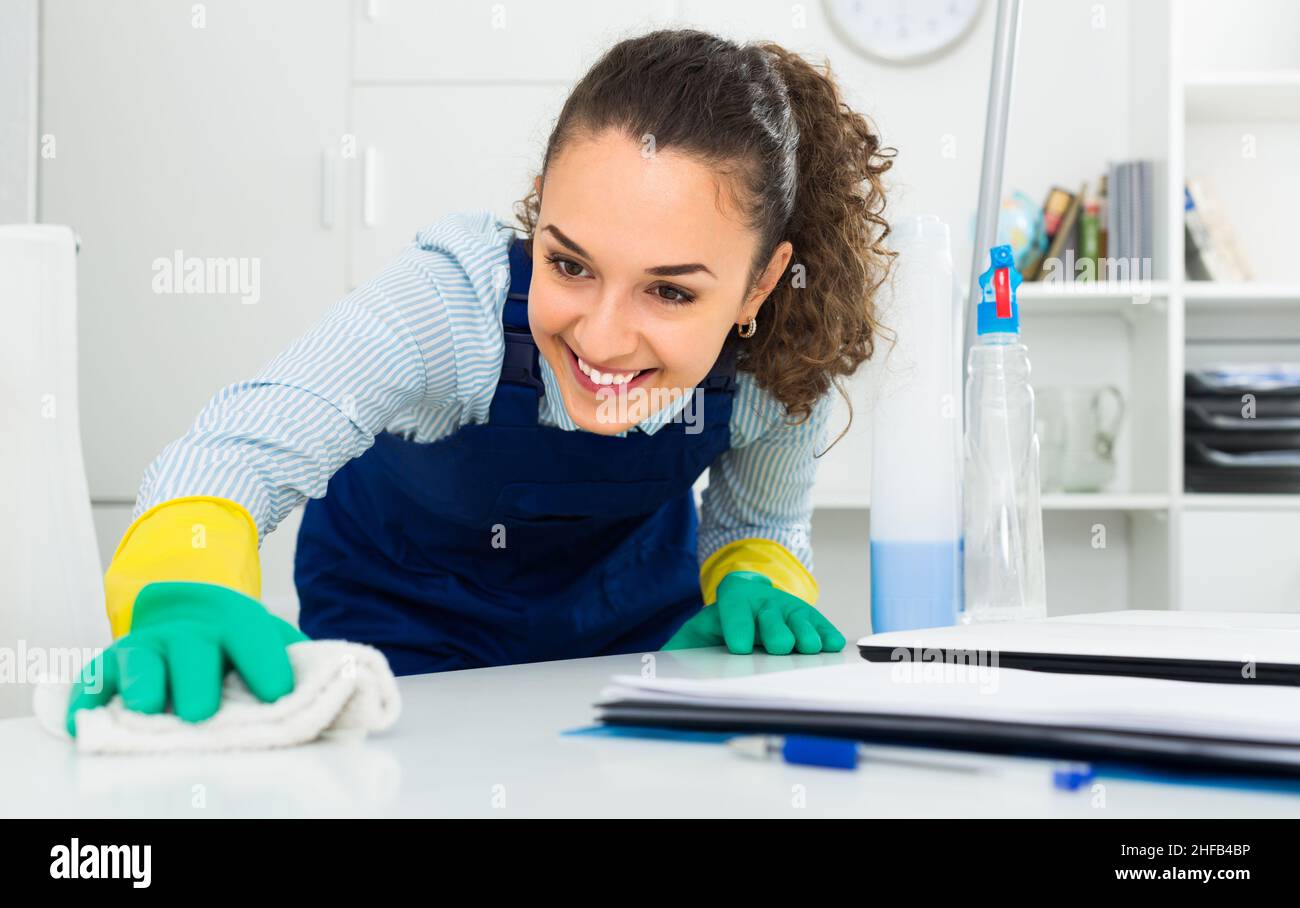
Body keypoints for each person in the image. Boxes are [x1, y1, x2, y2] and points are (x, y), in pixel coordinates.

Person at [66, 28, 894, 733]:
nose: (601, 339)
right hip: (402, 624)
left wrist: (756, 578)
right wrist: (185, 583)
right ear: (538, 210)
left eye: (671, 291)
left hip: (634, 625)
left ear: (759, 283)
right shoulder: (451, 306)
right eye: (569, 263)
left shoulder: (784, 356)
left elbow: (759, 522)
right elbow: (236, 452)